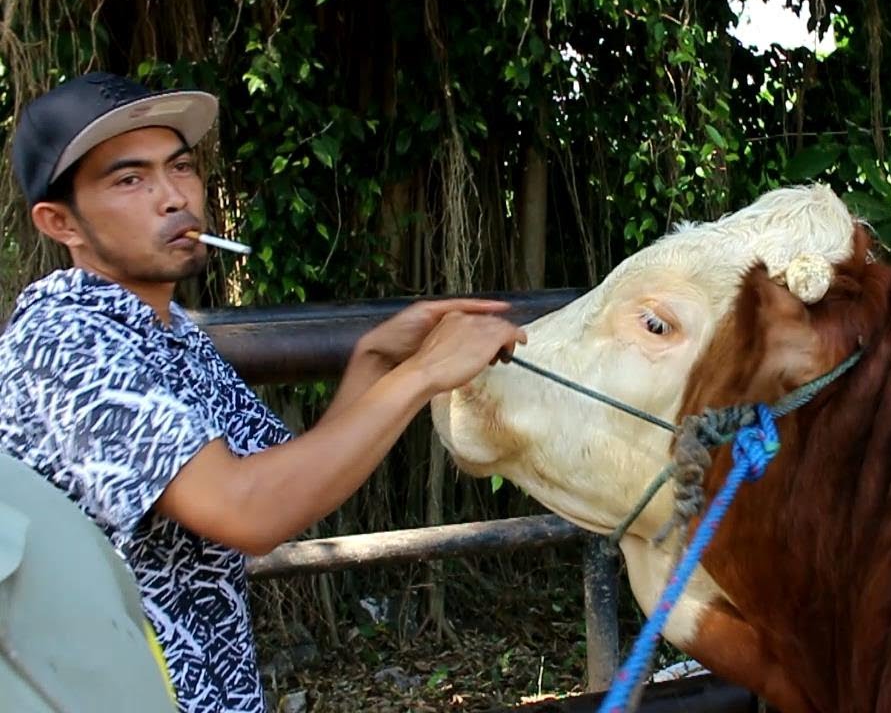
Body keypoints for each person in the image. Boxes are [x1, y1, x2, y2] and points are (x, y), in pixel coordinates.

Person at [0, 71, 527, 713]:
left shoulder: (168, 331)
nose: (174, 199)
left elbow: (281, 482)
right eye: (129, 179)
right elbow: (246, 512)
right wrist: (421, 378)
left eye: (182, 168)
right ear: (62, 223)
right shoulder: (65, 342)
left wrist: (375, 359)